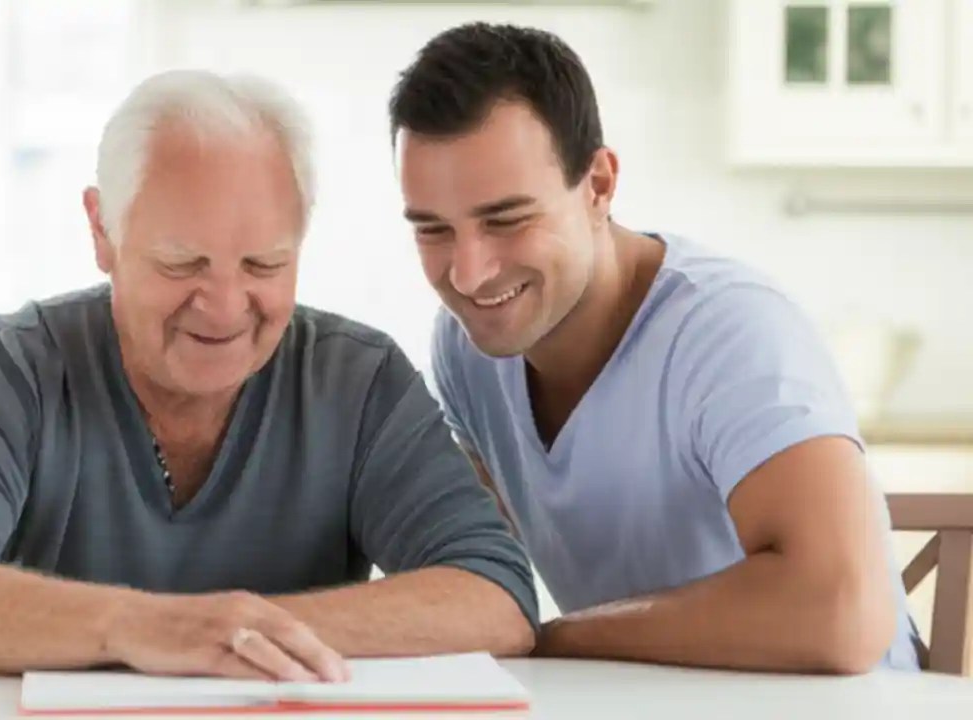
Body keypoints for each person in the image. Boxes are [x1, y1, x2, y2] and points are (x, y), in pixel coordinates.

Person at [0, 69, 537, 681]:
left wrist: (241, 633)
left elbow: (497, 598)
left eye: (264, 264)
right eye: (183, 264)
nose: (226, 308)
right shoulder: (11, 370)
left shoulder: (358, 382)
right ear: (102, 230)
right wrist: (139, 628)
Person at [389, 22, 919, 673]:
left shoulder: (730, 331)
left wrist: (560, 639)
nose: (468, 275)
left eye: (507, 219)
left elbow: (844, 615)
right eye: (434, 229)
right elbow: (474, 583)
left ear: (600, 185)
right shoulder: (469, 347)